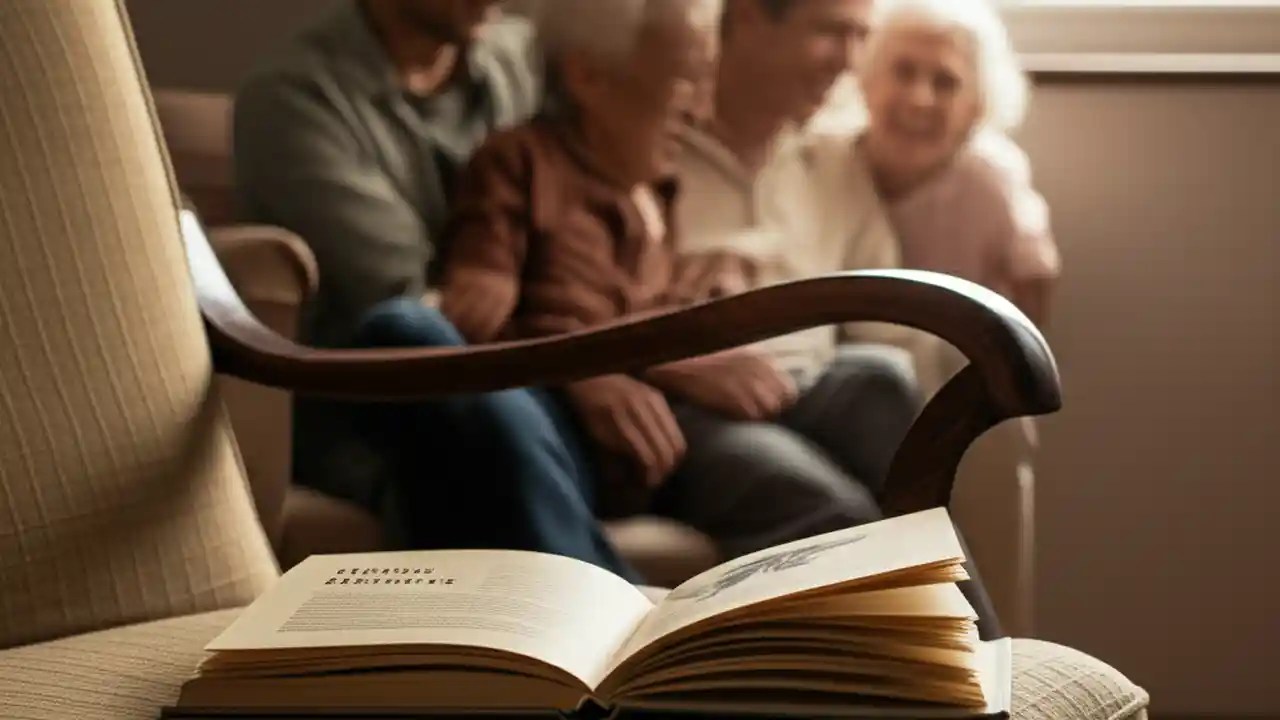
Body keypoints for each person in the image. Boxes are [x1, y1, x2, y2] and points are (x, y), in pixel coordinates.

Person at [439, 0, 905, 566]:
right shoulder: (520, 165)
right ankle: (937, 645)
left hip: (689, 388)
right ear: (588, 77)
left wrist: (699, 296)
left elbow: (635, 301)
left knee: (881, 384)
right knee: (834, 512)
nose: (700, 108)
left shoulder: (648, 188)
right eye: (686, 81)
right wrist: (656, 363)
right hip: (646, 428)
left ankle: (982, 643)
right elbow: (470, 323)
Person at [232, 0, 639, 580]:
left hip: (538, 382)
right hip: (376, 406)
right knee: (409, 328)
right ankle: (621, 619)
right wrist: (573, 354)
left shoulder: (525, 59)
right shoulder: (293, 97)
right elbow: (415, 295)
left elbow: (595, 194)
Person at [669, 0, 1004, 637]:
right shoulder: (654, 138)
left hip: (809, 394)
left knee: (882, 375)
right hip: (691, 405)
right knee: (836, 509)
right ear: (743, 20)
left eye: (859, 36)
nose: (849, 63)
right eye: (829, 33)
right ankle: (971, 679)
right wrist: (686, 360)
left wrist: (1019, 216)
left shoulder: (832, 159)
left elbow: (892, 319)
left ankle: (987, 662)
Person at [855, 0, 1060, 328]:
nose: (919, 99)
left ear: (977, 105)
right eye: (903, 72)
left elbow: (1033, 288)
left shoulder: (993, 177)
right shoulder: (829, 163)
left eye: (945, 82)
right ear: (867, 80)